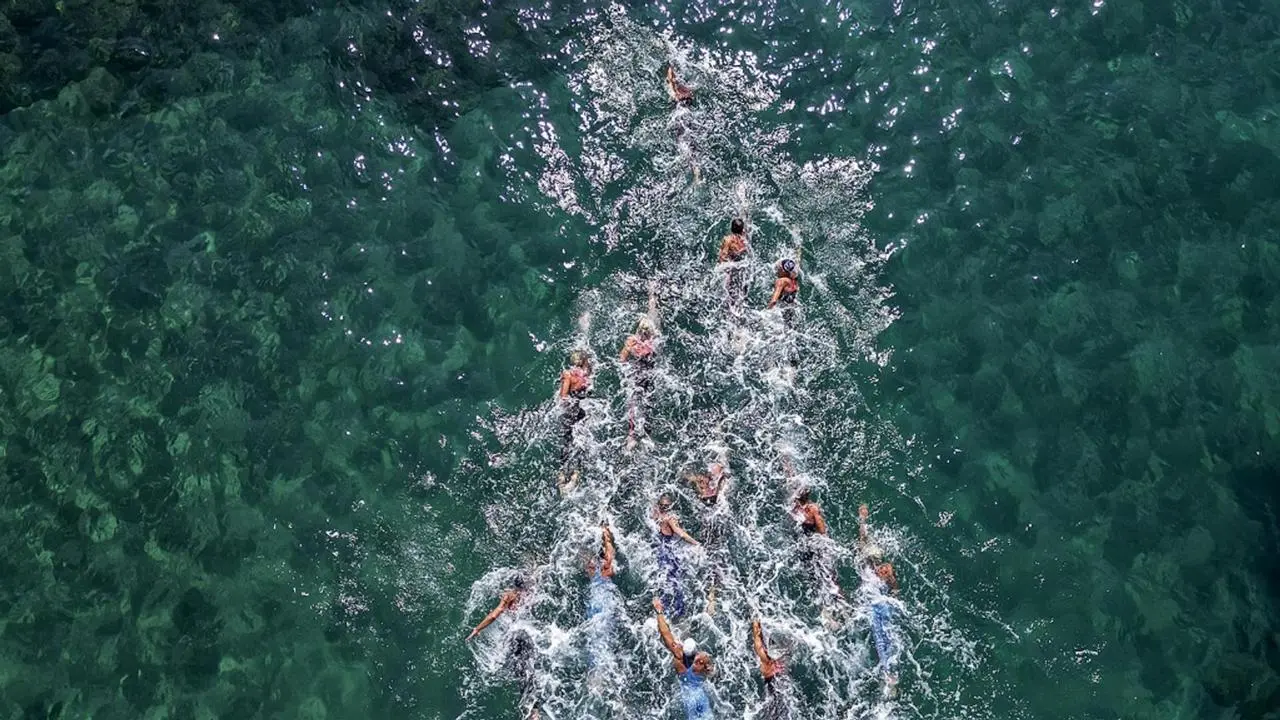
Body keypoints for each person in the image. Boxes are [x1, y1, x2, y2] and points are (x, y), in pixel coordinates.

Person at [467, 576, 542, 718]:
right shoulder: (532, 593)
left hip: (516, 636)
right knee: (529, 670)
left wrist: (478, 629)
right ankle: (535, 709)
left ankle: (532, 712)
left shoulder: (510, 596)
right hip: (530, 635)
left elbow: (494, 615)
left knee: (520, 672)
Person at [858, 504, 902, 696]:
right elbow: (863, 539)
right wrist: (863, 519)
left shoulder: (873, 573)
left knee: (883, 639)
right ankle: (889, 673)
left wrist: (862, 519)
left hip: (878, 605)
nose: (880, 567)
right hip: (881, 605)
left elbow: (863, 539)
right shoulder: (878, 570)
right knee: (886, 638)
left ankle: (888, 674)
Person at [653, 596, 714, 720]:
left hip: (689, 698)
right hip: (701, 696)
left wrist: (659, 611)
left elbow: (665, 634)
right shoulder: (702, 661)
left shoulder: (679, 659)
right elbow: (710, 669)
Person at [620, 284, 659, 450]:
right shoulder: (653, 342)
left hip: (636, 374)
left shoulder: (632, 341)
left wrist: (627, 369)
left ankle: (633, 435)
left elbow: (622, 359)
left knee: (635, 404)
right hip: (648, 374)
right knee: (645, 402)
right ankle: (642, 435)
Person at [654, 494, 699, 618]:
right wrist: (696, 543)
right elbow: (681, 534)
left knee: (664, 580)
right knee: (675, 581)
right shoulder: (670, 518)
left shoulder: (656, 514)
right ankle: (679, 611)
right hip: (669, 551)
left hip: (659, 549)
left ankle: (663, 609)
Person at [586, 523, 620, 676]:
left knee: (594, 635)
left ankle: (594, 669)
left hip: (594, 598)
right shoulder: (608, 565)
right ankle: (605, 669)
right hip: (606, 597)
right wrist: (606, 534)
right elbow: (610, 548)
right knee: (606, 635)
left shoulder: (591, 567)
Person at [557, 350, 592, 491]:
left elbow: (563, 396)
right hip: (583, 410)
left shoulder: (569, 375)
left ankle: (562, 478)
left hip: (571, 411)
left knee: (567, 443)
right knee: (580, 441)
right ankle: (575, 477)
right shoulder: (587, 373)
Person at [752, 618, 793, 719]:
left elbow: (757, 637)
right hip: (782, 680)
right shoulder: (782, 655)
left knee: (772, 712)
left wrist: (755, 622)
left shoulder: (765, 658)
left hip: (772, 684)